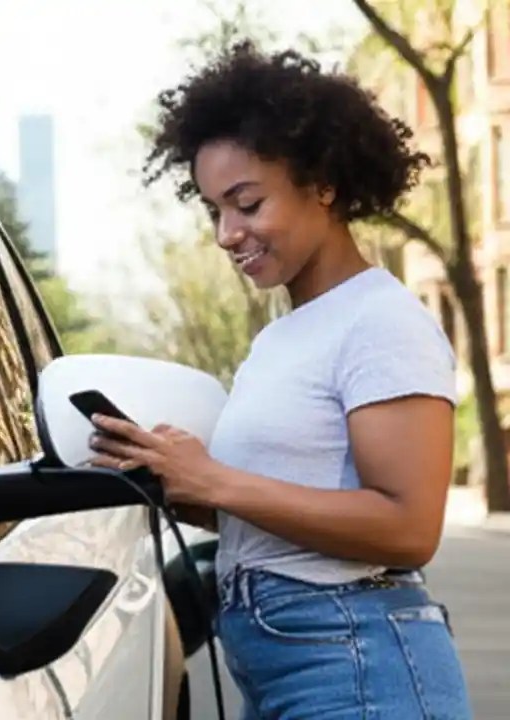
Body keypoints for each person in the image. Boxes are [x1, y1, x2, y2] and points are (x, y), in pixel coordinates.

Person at [88, 42, 474, 719]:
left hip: (357, 661)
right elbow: (293, 510)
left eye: (246, 203)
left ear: (322, 183)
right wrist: (178, 483)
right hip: (286, 665)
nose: (226, 233)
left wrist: (216, 479)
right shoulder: (280, 338)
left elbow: (408, 526)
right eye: (215, 210)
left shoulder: (380, 320)